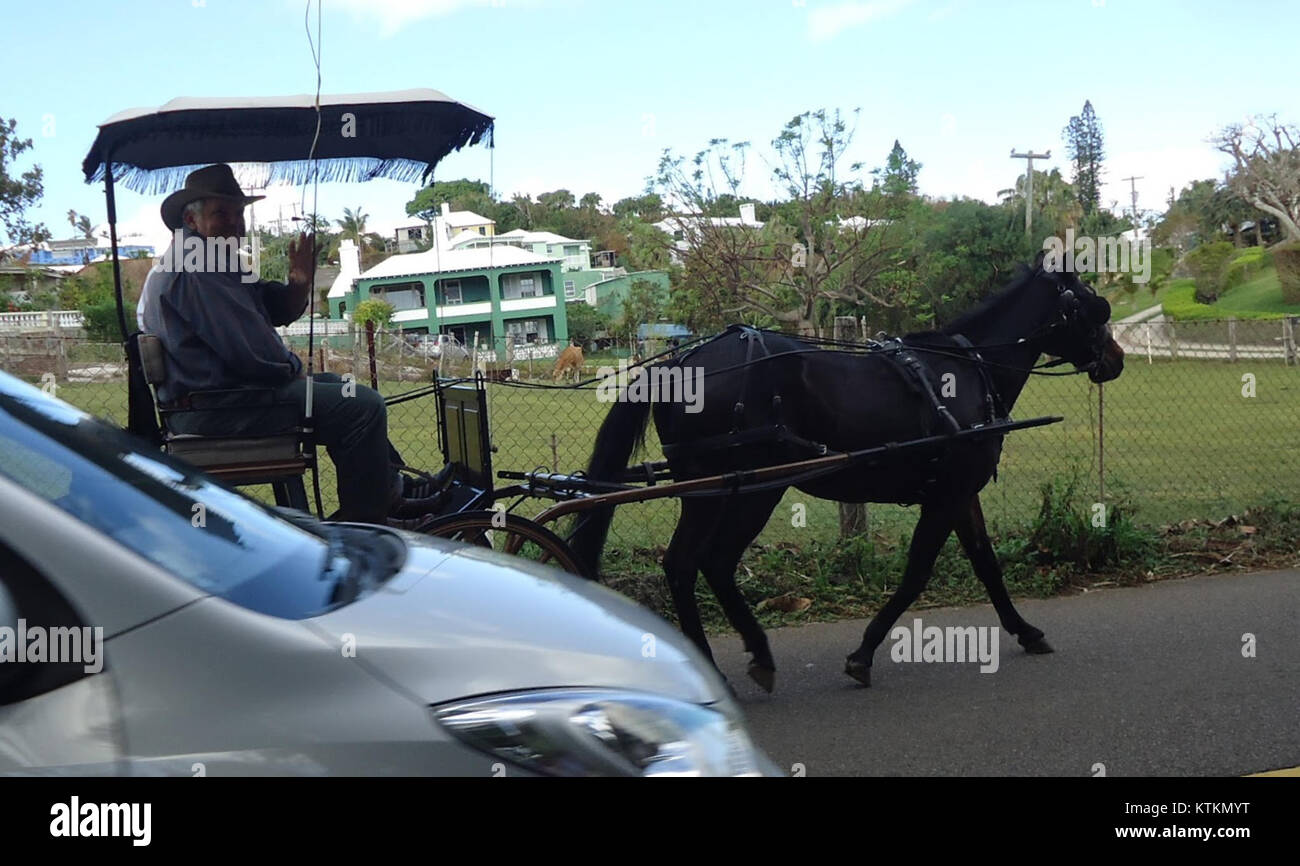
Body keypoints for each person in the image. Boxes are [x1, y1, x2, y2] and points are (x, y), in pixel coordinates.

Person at [138, 164, 446, 526]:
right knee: (363, 405)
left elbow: (274, 307)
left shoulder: (210, 258)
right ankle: (369, 523)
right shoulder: (198, 266)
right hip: (218, 408)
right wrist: (293, 371)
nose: (235, 223)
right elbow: (252, 356)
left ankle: (390, 490)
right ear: (191, 220)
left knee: (337, 386)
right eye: (222, 213)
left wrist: (299, 280)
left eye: (239, 213)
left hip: (218, 399)